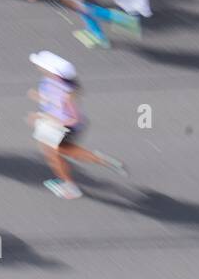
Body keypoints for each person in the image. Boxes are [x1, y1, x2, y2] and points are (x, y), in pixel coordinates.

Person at [28, 50, 126, 199]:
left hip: (64, 128)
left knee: (53, 155)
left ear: (54, 72)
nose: (39, 67)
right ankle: (103, 161)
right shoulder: (48, 81)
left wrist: (44, 117)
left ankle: (69, 186)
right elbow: (51, 101)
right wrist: (40, 98)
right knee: (65, 151)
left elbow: (73, 118)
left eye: (42, 66)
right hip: (56, 126)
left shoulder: (67, 93)